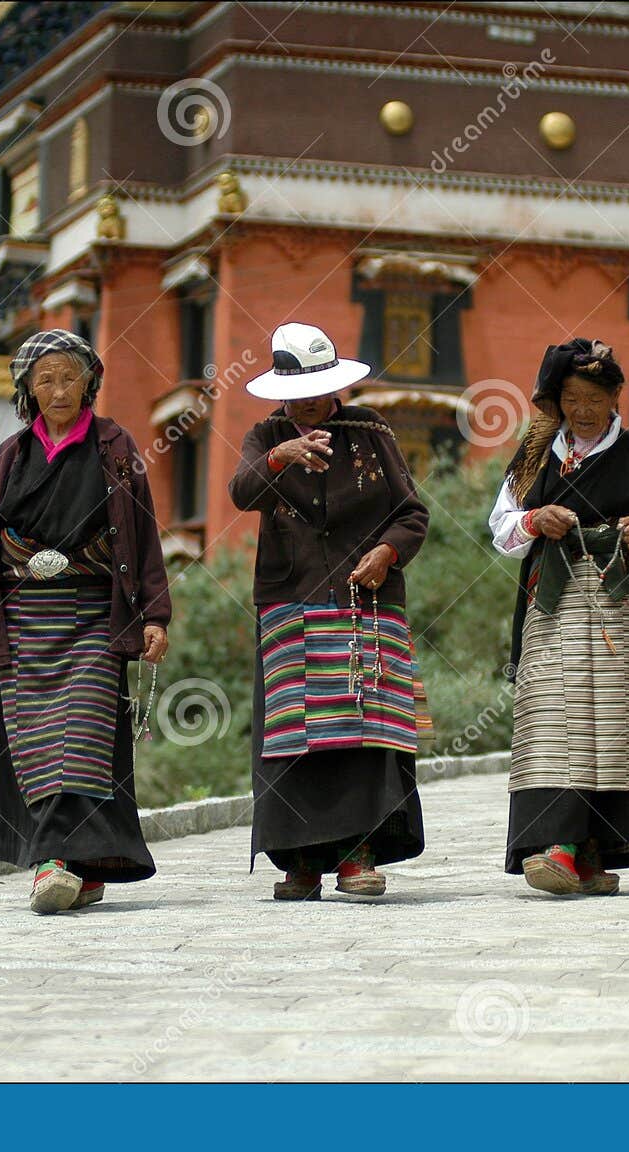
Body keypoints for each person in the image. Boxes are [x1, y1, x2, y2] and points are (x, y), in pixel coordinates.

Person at [0, 330, 171, 915]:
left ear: (88, 385)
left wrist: (155, 612)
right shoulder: (12, 456)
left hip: (95, 616)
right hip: (24, 619)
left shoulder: (115, 446)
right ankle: (80, 864)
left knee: (83, 737)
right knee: (34, 743)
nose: (58, 390)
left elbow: (142, 534)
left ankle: (55, 862)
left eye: (69, 378)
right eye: (45, 379)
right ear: (28, 388)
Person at [488, 338, 629, 896]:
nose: (582, 410)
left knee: (616, 723)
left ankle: (591, 851)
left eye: (594, 398)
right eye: (571, 398)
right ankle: (559, 847)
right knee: (557, 719)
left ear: (615, 398)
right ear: (557, 400)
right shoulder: (534, 452)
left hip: (622, 605)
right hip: (554, 604)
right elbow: (502, 527)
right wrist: (536, 518)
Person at [229, 322, 431, 901]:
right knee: (295, 734)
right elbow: (241, 492)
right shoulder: (264, 434)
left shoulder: (369, 431)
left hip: (365, 602)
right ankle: (300, 863)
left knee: (361, 734)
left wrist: (386, 552)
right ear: (283, 390)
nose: (312, 399)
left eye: (320, 385)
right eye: (300, 389)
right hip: (289, 600)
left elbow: (412, 514)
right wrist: (281, 457)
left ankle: (358, 855)